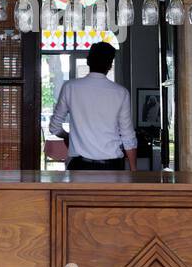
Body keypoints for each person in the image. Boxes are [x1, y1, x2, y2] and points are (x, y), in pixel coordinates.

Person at [48, 41, 137, 171]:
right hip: (112, 167)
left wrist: (68, 136)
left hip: (79, 166)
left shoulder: (70, 87)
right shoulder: (121, 93)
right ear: (110, 65)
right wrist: (134, 170)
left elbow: (54, 128)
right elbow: (128, 136)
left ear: (88, 61)